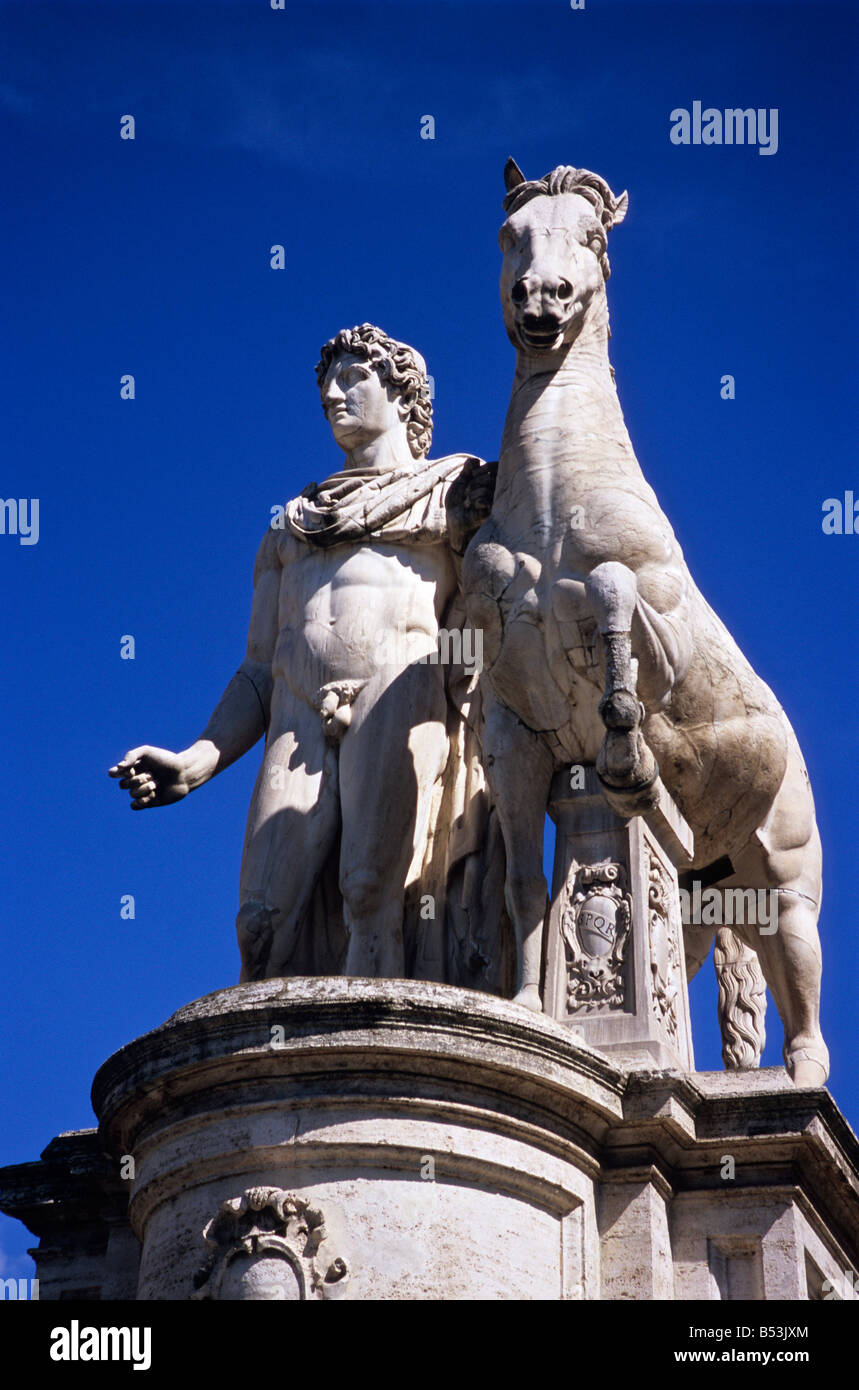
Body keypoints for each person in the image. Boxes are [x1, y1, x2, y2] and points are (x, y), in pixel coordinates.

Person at [109, 324, 498, 984]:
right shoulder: (291, 524)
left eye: (353, 378)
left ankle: (377, 1072)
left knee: (373, 894)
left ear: (403, 395)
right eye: (326, 382)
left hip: (399, 702)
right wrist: (195, 761)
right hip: (294, 722)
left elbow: (494, 611)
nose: (331, 393)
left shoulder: (453, 493)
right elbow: (259, 666)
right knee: (259, 920)